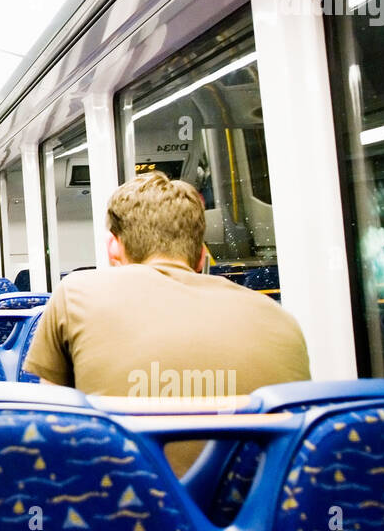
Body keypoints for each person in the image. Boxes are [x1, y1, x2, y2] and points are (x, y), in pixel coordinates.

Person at [23, 171, 310, 475]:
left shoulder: (74, 293)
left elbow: (56, 430)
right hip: (255, 515)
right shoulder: (280, 318)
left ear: (113, 249)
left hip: (124, 507)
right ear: (201, 257)